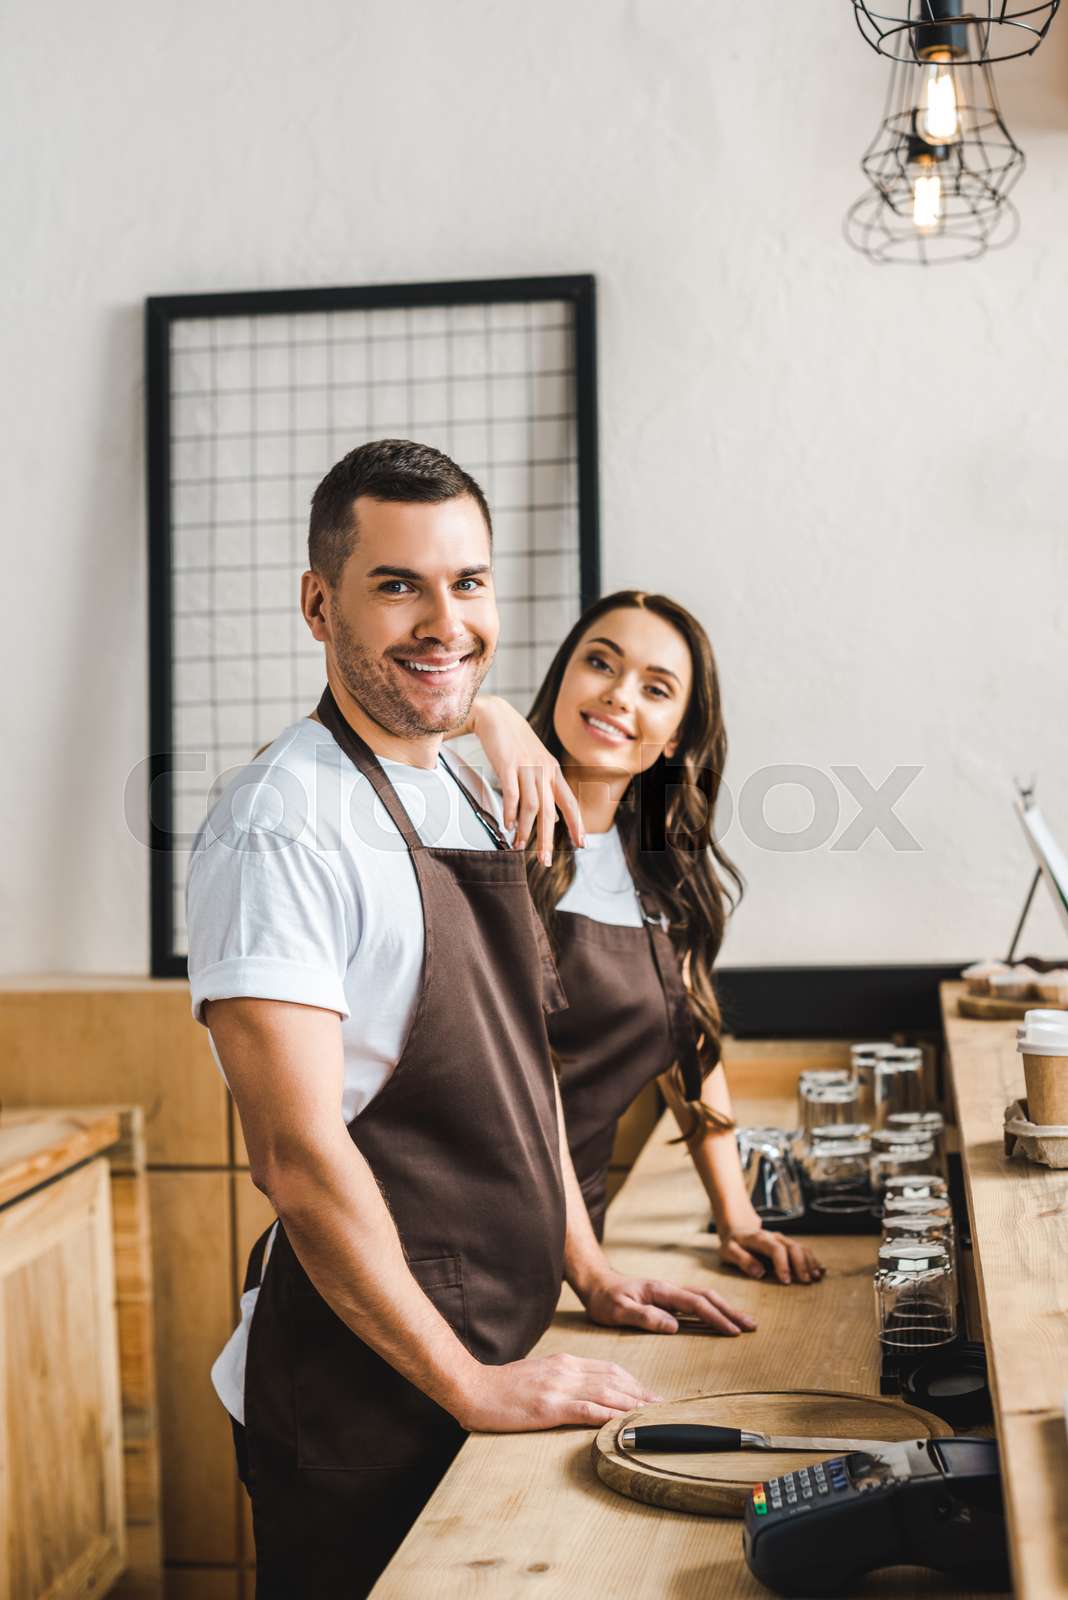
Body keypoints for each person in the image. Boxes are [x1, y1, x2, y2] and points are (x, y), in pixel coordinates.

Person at [186, 442, 754, 1599]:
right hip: (370, 1384)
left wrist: (583, 1273)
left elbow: (515, 1063)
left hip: (504, 1328)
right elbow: (296, 1157)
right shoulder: (279, 822)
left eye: (470, 583)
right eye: (398, 584)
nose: (445, 618)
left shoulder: (461, 780)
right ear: (316, 602)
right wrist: (466, 1380)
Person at [453, 591, 825, 1285]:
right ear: (563, 677)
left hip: (563, 1260)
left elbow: (694, 1049)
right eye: (600, 663)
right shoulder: (468, 817)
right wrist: (481, 711)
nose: (620, 696)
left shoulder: (656, 873)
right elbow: (316, 756)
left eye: (656, 688)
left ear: (678, 734)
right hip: (444, 1244)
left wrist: (738, 1218)